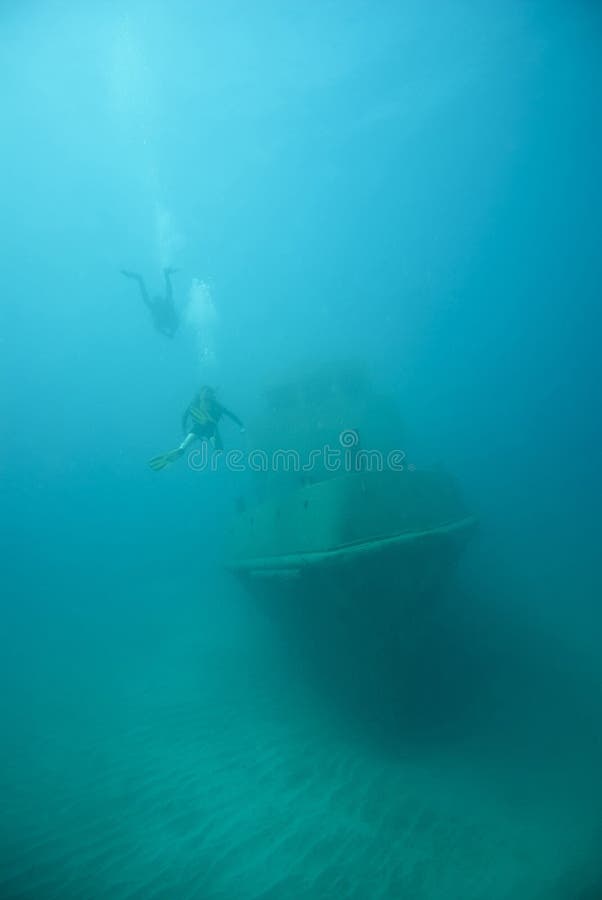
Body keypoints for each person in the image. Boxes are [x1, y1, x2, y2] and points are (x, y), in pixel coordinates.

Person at [148, 386, 245, 471]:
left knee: (184, 446)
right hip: (209, 430)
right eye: (205, 393)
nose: (206, 396)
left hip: (198, 429)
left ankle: (180, 449)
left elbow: (184, 417)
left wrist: (184, 430)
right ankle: (180, 450)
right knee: (218, 449)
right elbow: (230, 414)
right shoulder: (213, 404)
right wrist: (241, 426)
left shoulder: (197, 404)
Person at [121, 267, 179, 338]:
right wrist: (166, 276)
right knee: (169, 300)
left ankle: (165, 273)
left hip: (168, 321)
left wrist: (139, 279)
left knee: (169, 301)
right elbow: (169, 291)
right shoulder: (163, 306)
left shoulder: (157, 308)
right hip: (168, 321)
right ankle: (166, 273)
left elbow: (145, 295)